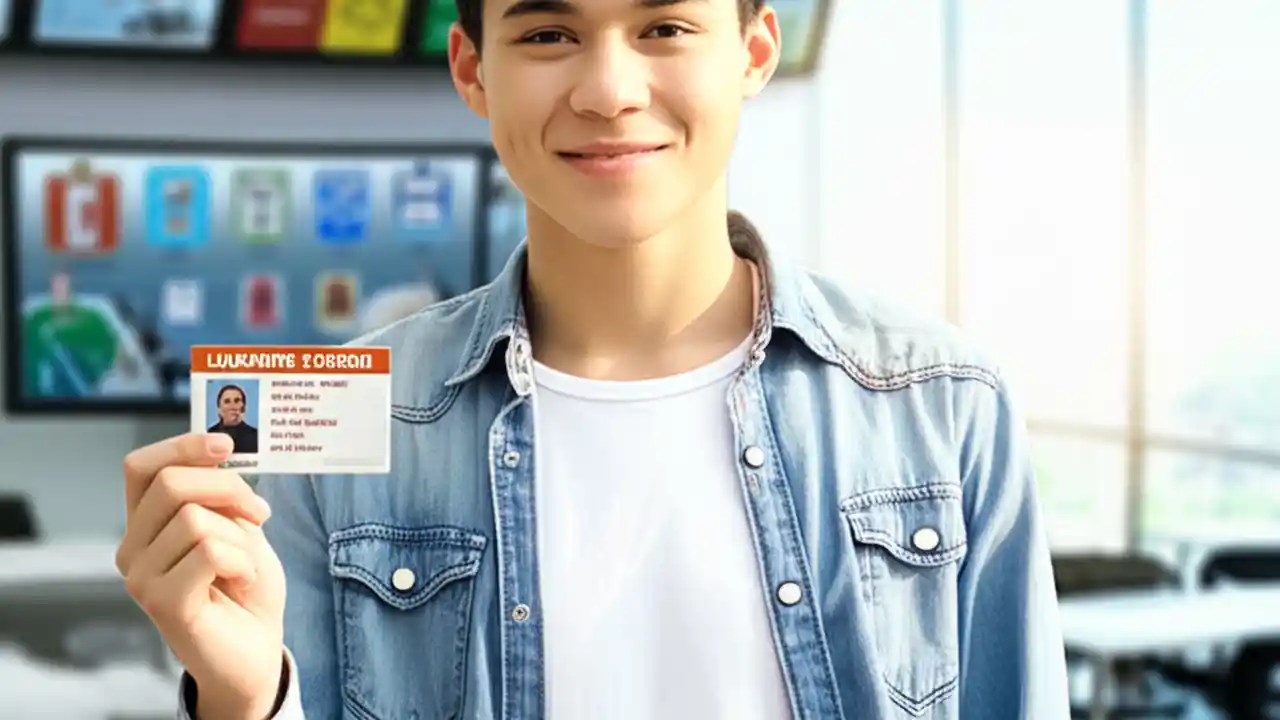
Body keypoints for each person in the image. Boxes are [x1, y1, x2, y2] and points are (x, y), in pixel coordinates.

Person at [113, 1, 1071, 718]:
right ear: (471, 68)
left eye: (662, 28)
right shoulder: (339, 422)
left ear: (754, 51)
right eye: (546, 34)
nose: (609, 90)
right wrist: (242, 699)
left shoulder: (939, 404)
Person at [207, 384, 258, 454]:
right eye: (227, 401)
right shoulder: (209, 435)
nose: (232, 407)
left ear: (244, 407)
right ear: (219, 409)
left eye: (237, 401)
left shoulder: (256, 437)